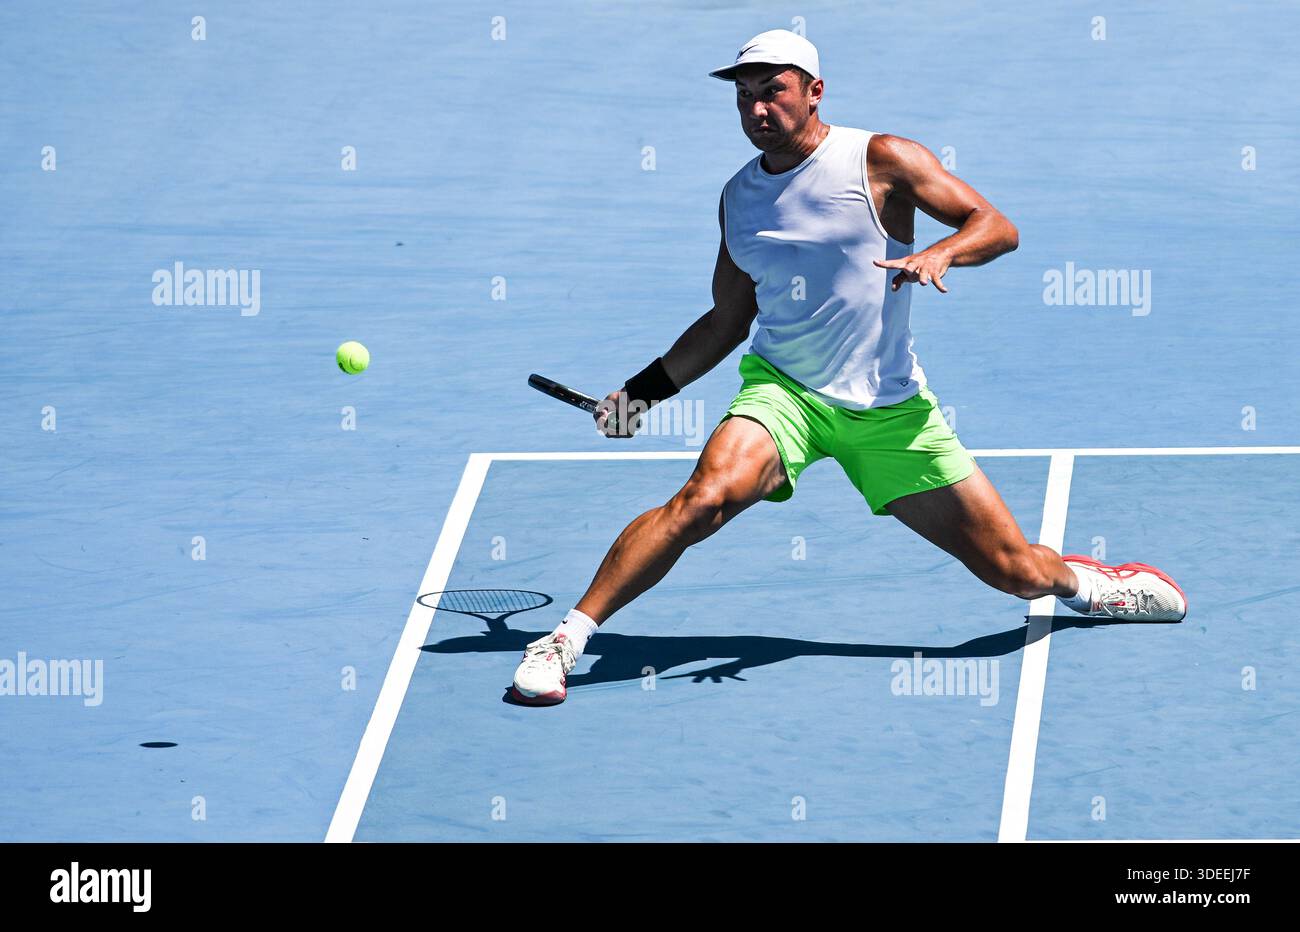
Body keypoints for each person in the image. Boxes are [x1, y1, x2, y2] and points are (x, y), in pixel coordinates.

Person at [512, 29, 1186, 706]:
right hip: (786, 395)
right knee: (703, 500)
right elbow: (726, 320)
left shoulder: (881, 160)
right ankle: (566, 639)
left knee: (1013, 570)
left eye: (772, 91)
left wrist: (946, 252)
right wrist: (640, 395)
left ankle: (1089, 586)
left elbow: (995, 225)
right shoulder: (738, 198)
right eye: (744, 98)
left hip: (889, 411)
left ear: (814, 91)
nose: (757, 111)